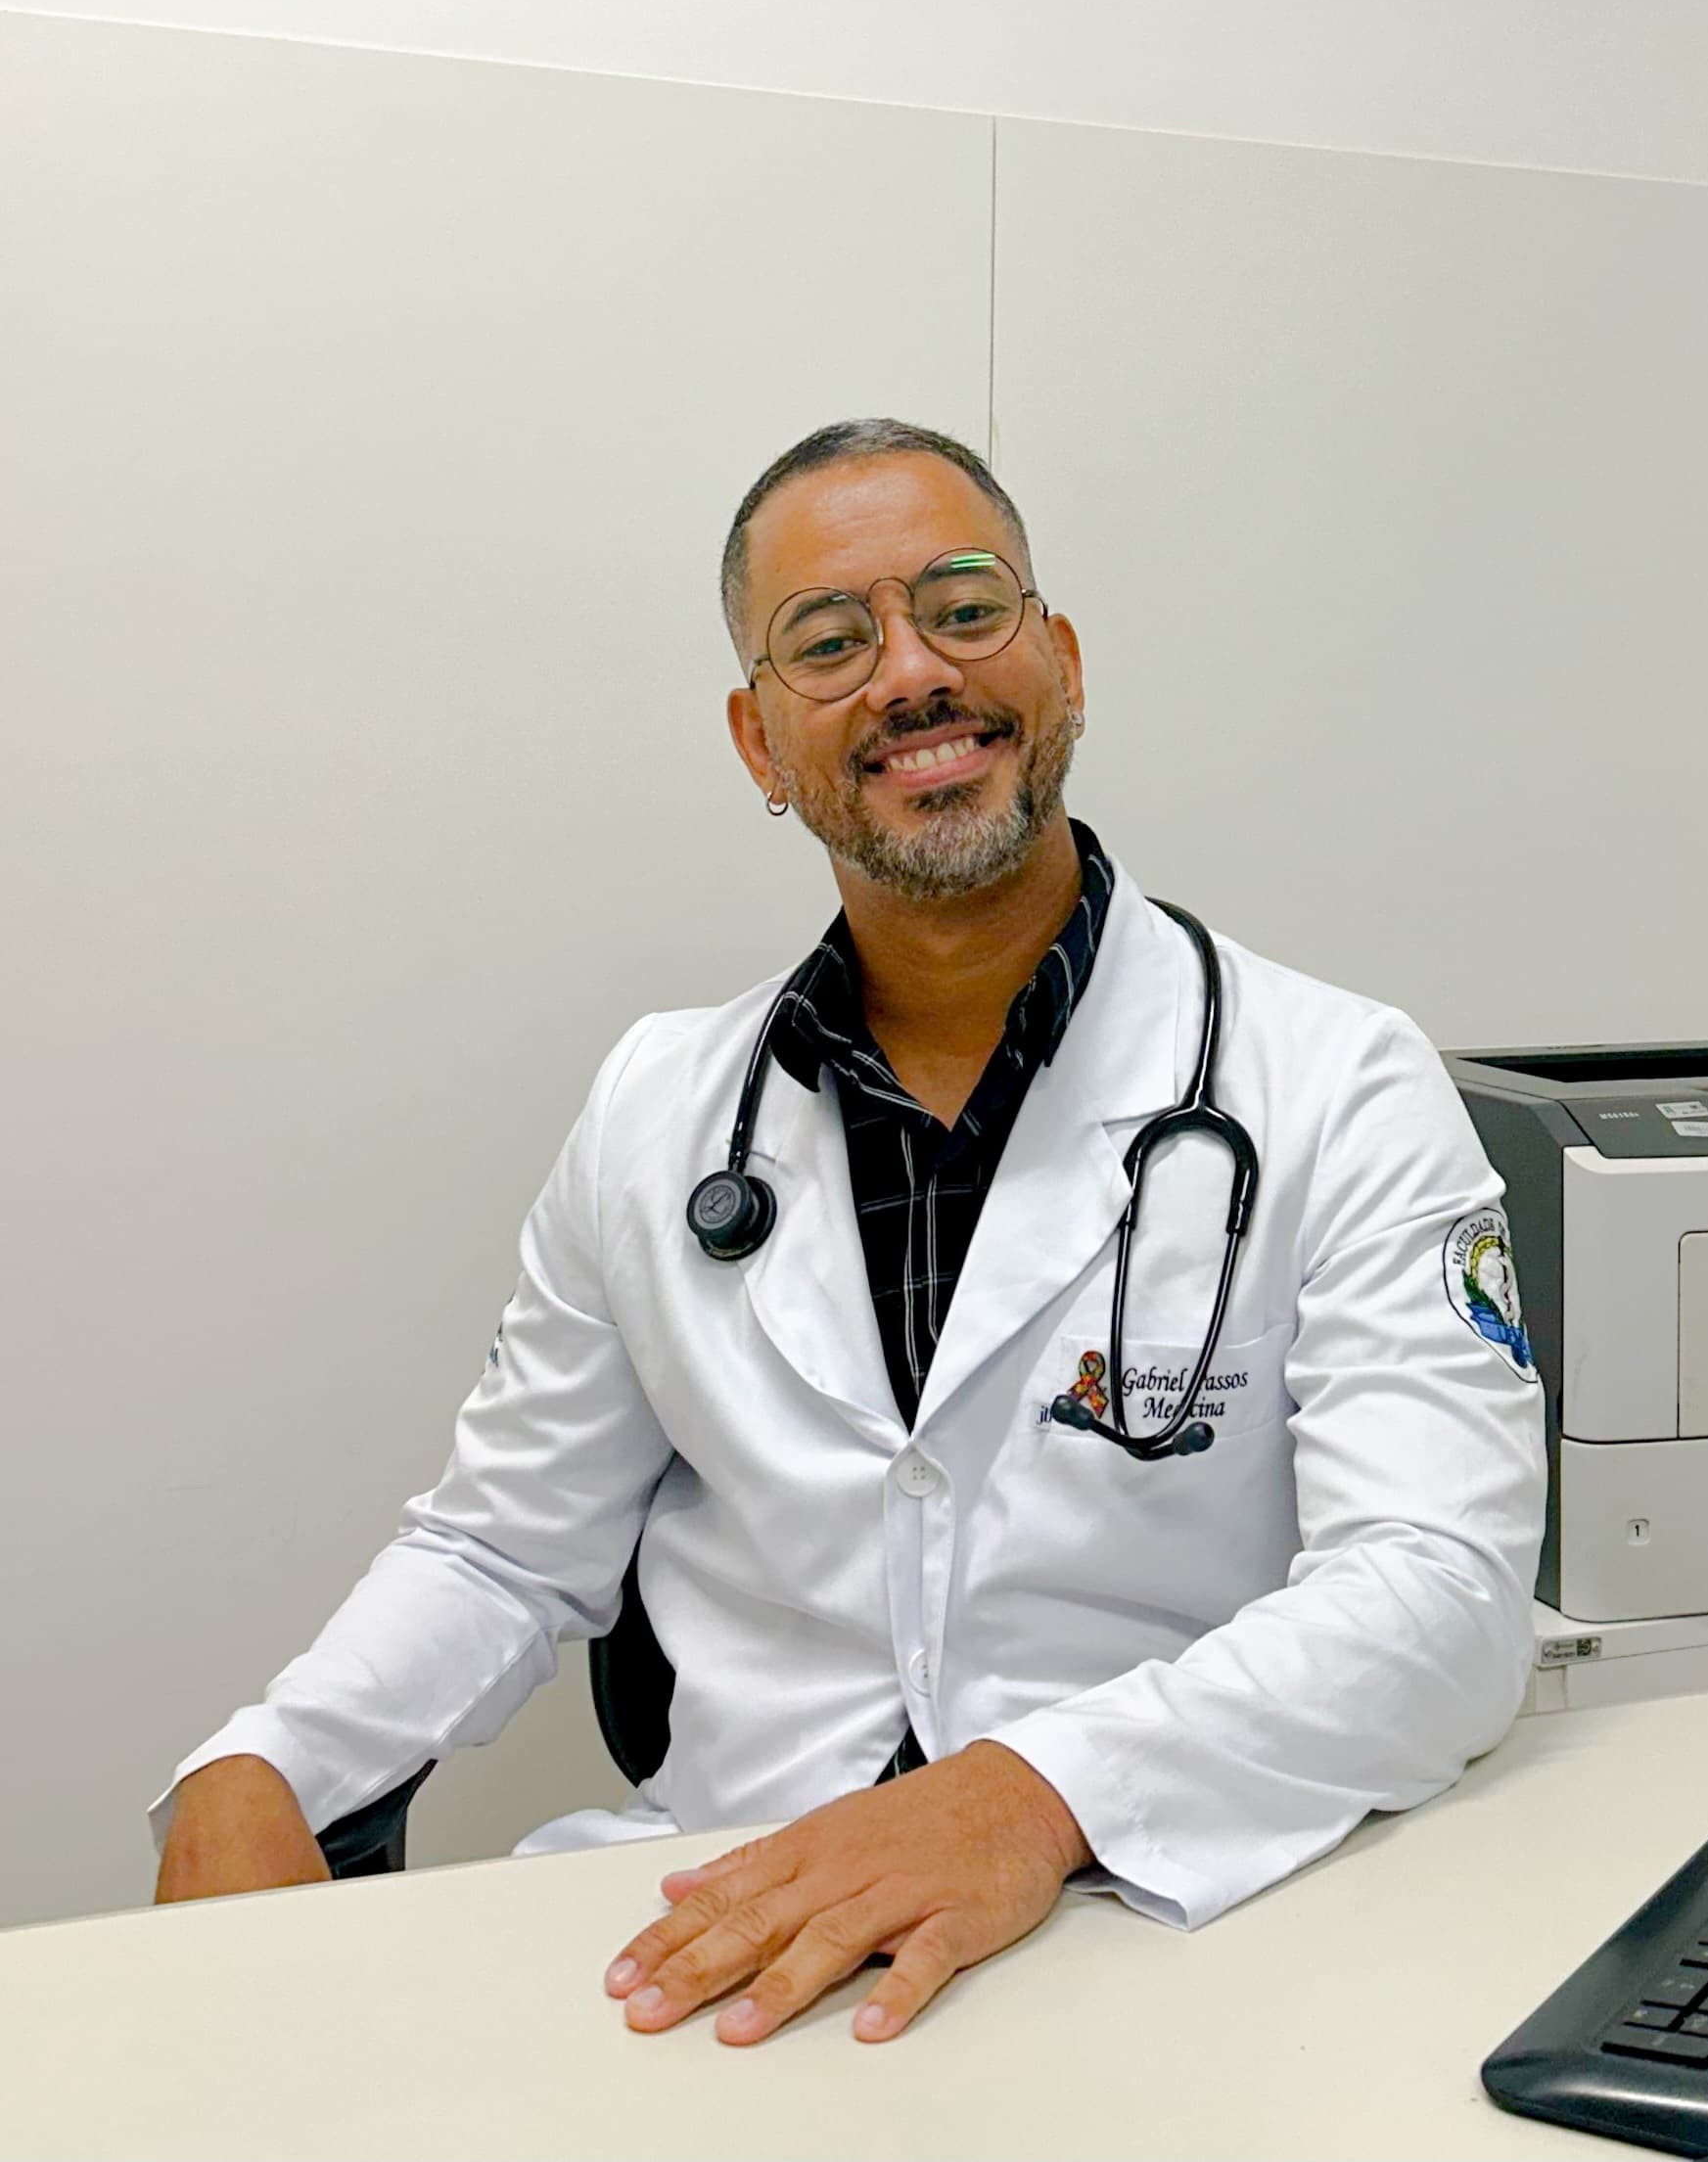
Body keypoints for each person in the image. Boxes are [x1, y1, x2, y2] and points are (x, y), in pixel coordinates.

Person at [151, 419, 1546, 2048]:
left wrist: (1033, 1796)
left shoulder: (1334, 1081)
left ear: (1061, 661)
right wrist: (271, 1757)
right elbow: (502, 1544)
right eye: (830, 642)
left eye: (963, 607)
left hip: (1164, 1911)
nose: (910, 673)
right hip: (723, 1918)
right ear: (759, 742)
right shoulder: (658, 1107)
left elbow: (1437, 1591)